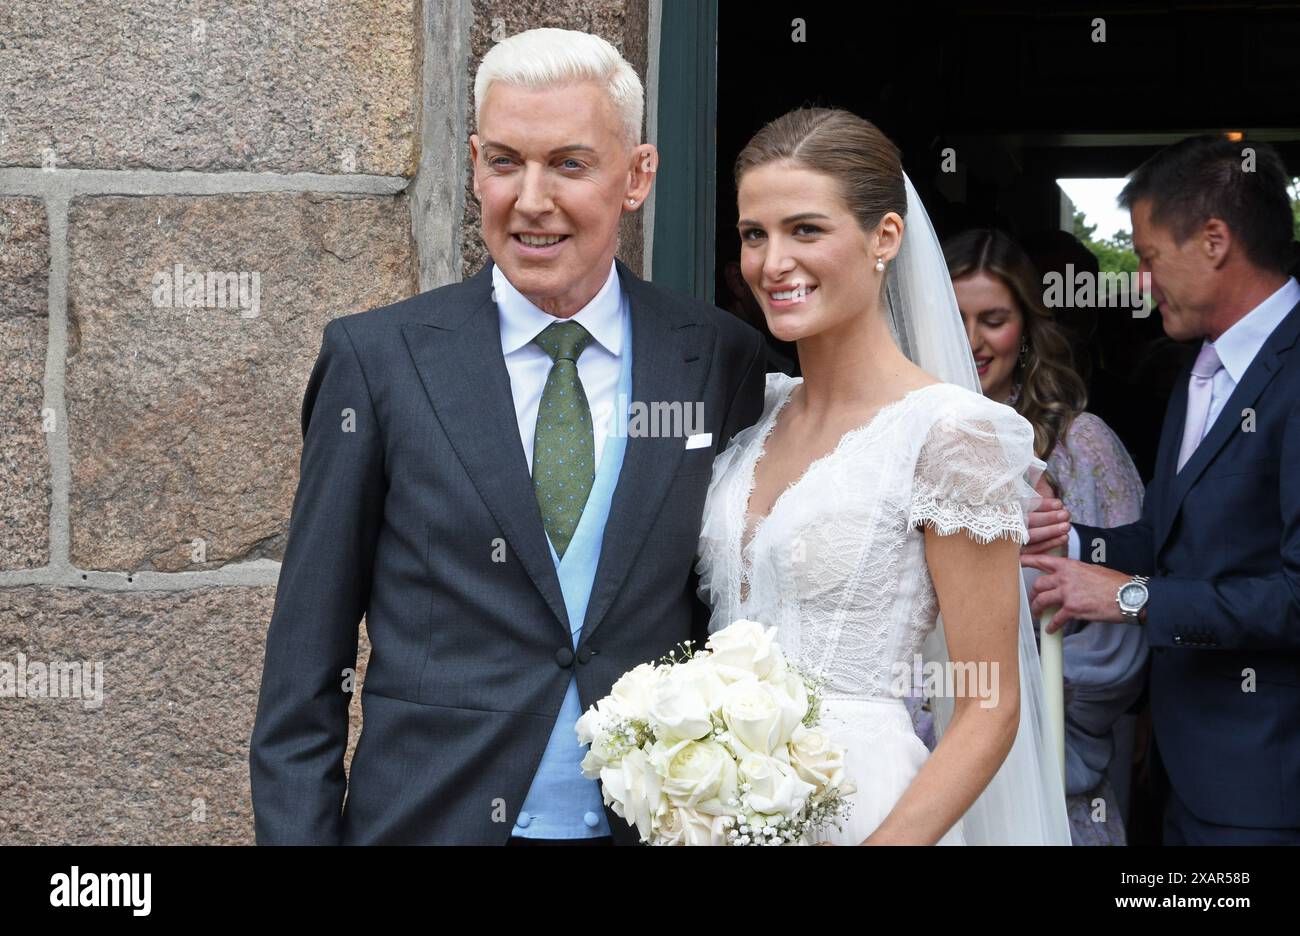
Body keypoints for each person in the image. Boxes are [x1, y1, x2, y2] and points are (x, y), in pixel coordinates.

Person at [249, 28, 767, 845]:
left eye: (569, 163)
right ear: (475, 165)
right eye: (503, 161)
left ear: (637, 177)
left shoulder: (717, 360)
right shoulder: (378, 361)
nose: (531, 199)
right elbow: (304, 669)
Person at [695, 107, 1070, 844]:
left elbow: (989, 704)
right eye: (754, 235)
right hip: (720, 807)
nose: (773, 262)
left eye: (805, 230)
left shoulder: (950, 433)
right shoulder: (752, 417)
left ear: (884, 238)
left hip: (869, 810)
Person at [1023, 135, 1300, 844]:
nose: (1138, 285)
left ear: (1214, 240)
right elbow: (1173, 542)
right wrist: (1069, 541)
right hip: (1182, 772)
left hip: (1270, 785)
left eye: (1147, 259)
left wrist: (1125, 597)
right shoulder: (1199, 370)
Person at [945, 228, 1147, 845]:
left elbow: (1123, 616)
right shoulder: (894, 439)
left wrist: (1014, 701)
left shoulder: (1080, 446)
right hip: (917, 767)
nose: (972, 340)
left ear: (1027, 329)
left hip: (1051, 773)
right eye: (956, 318)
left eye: (995, 319)